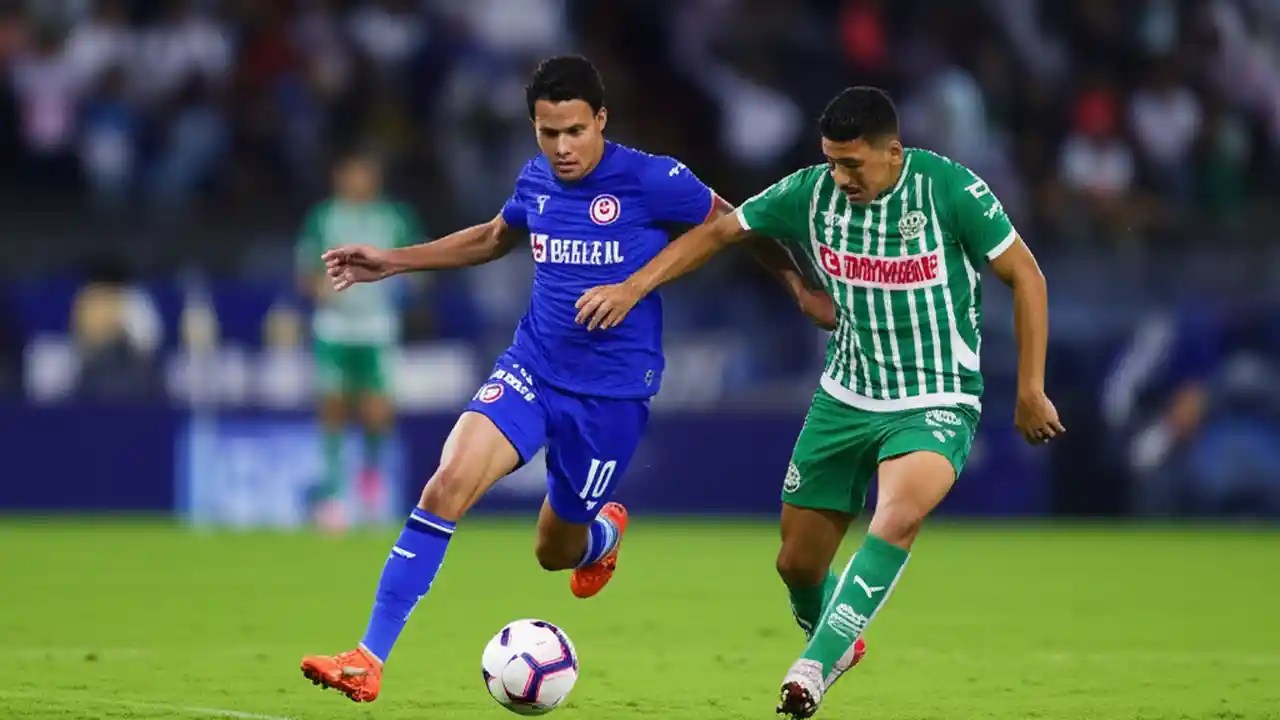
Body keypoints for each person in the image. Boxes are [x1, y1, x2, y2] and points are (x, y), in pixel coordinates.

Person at [299, 55, 832, 703]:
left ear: (600, 121)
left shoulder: (651, 179)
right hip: (531, 369)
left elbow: (735, 225)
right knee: (447, 484)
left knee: (554, 549)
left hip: (610, 396)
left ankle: (601, 535)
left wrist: (797, 286)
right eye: (548, 133)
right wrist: (394, 262)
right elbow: (496, 237)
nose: (562, 147)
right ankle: (368, 657)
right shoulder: (535, 181)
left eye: (574, 131)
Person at [574, 86, 1064, 718]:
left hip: (936, 396)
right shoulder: (810, 192)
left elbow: (1026, 274)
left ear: (894, 153)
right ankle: (837, 636)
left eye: (853, 164)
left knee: (897, 516)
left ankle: (811, 669)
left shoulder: (950, 189)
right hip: (845, 395)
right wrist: (634, 286)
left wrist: (1029, 387)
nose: (841, 176)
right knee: (796, 563)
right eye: (833, 160)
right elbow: (723, 232)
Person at [296, 152, 421, 531]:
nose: (358, 181)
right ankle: (332, 495)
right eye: (352, 173)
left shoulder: (395, 217)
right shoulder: (323, 217)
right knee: (333, 406)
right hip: (334, 327)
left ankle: (370, 487)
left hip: (377, 327)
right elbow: (305, 271)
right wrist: (318, 287)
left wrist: (405, 286)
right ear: (340, 177)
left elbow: (418, 264)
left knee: (377, 410)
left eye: (365, 173)